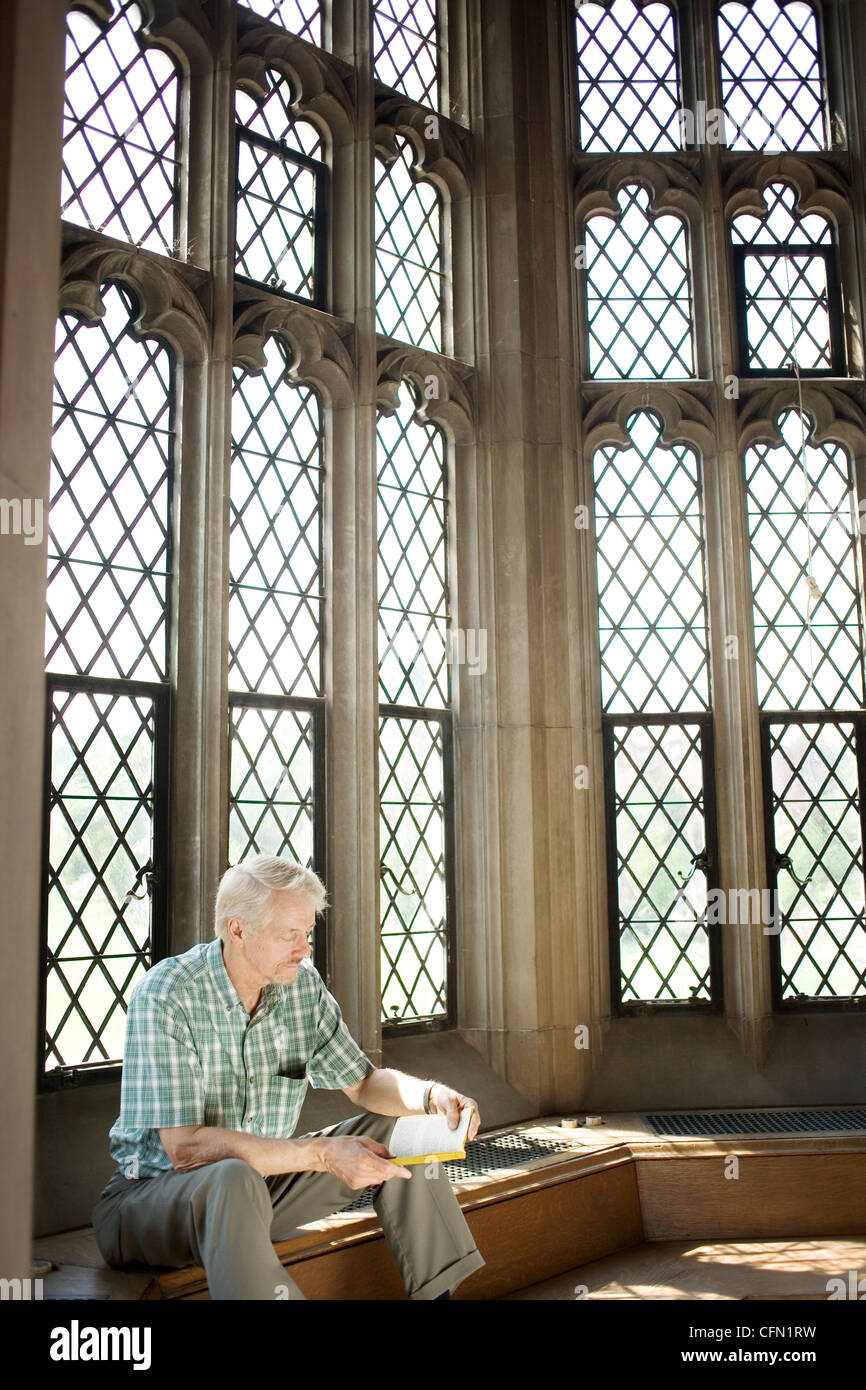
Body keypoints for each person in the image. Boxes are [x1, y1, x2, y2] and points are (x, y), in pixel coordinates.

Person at [92, 855, 485, 1301]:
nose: (304, 948)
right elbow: (184, 1150)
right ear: (238, 930)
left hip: (258, 1194)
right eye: (290, 935)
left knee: (400, 1133)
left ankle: (439, 1297)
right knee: (230, 1177)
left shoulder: (302, 987)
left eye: (307, 933)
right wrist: (320, 1154)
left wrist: (430, 1096)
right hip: (149, 1204)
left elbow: (362, 1083)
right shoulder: (168, 994)